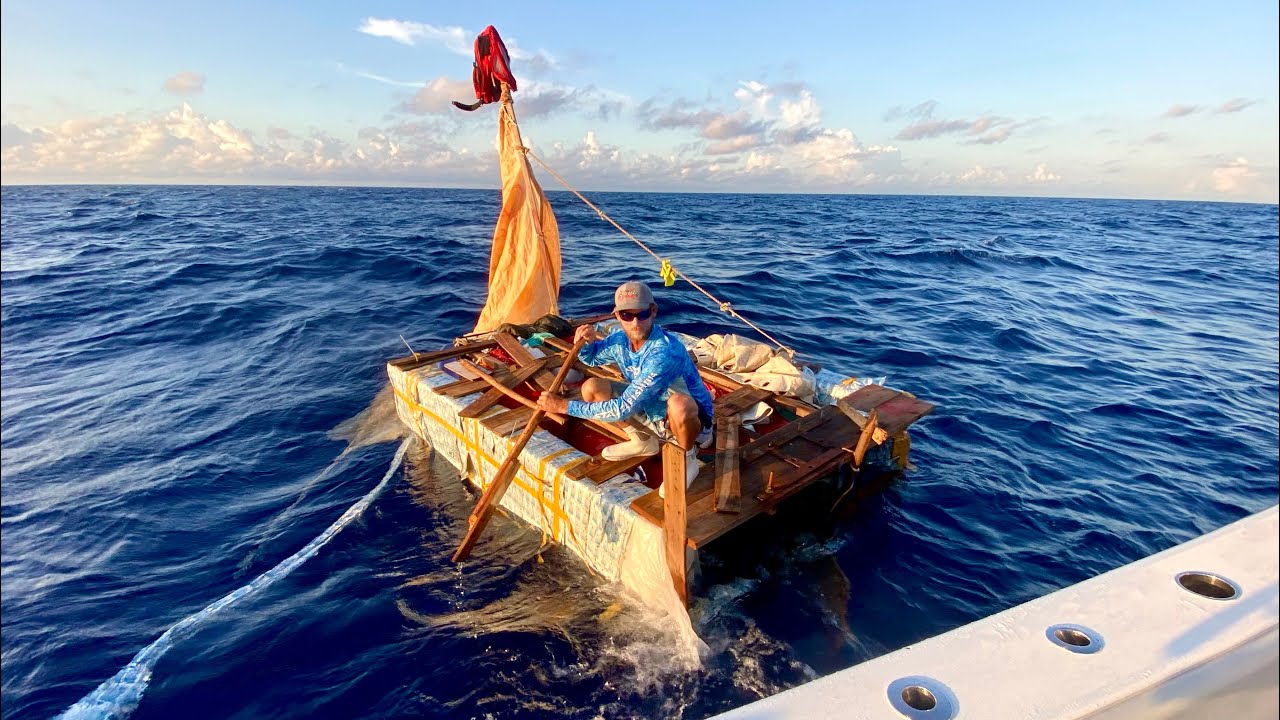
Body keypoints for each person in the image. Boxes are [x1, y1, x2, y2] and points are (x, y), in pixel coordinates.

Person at [535, 281, 714, 492]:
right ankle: (641, 441)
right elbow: (592, 358)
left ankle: (687, 456)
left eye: (642, 314)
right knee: (592, 387)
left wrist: (564, 406)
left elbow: (622, 408)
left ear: (653, 311)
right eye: (627, 316)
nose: (635, 323)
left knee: (679, 404)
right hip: (650, 408)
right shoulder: (619, 340)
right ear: (617, 316)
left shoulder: (664, 352)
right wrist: (585, 344)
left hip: (690, 419)